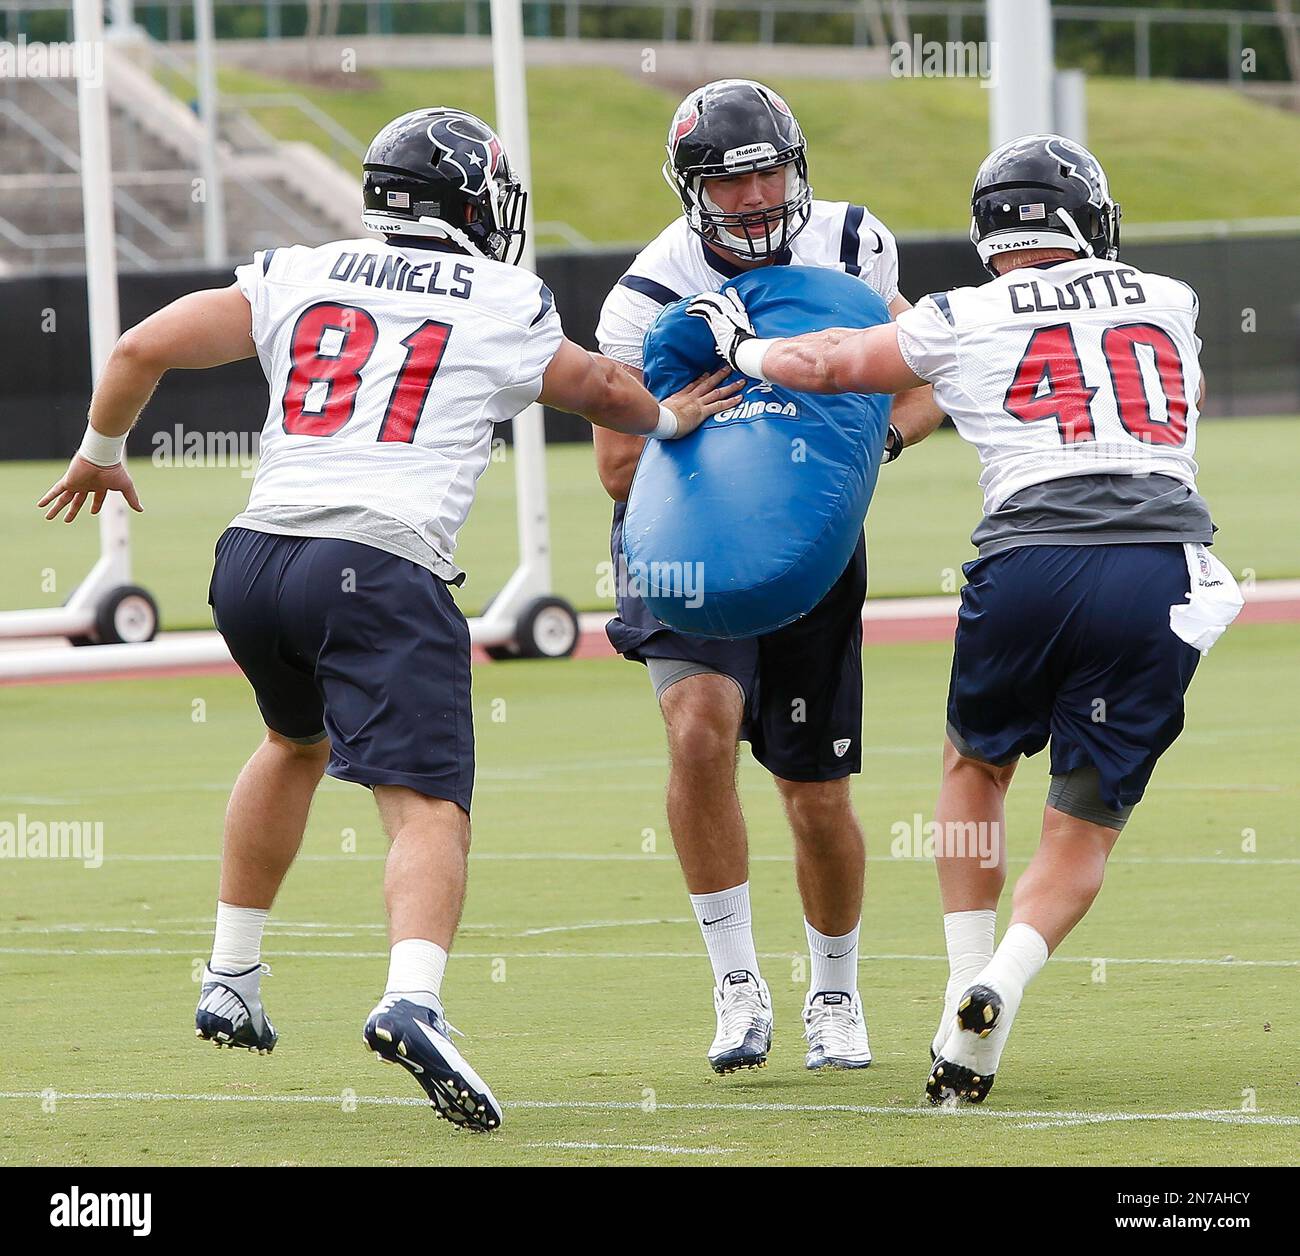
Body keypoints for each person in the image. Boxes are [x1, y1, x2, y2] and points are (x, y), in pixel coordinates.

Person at [38, 107, 740, 1133]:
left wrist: (103, 446)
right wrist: (675, 416)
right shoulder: (503, 294)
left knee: (290, 740)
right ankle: (412, 997)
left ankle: (232, 971)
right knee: (427, 806)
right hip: (375, 560)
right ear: (470, 203)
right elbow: (596, 389)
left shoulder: (300, 266)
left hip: (254, 557)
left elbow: (143, 343)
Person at [688, 133, 1242, 1103]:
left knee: (974, 766)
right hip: (1159, 566)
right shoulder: (1171, 297)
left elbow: (830, 365)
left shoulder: (962, 311)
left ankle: (961, 974)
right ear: (1090, 220)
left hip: (1025, 561)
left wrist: (737, 345)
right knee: (1081, 826)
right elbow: (1183, 395)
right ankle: (1002, 982)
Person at [594, 77, 945, 1075]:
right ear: (690, 192)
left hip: (809, 547)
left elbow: (927, 379)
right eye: (726, 182)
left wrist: (855, 453)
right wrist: (693, 417)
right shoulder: (645, 296)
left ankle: (833, 987)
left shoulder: (852, 245)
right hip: (688, 540)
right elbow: (616, 470)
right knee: (698, 730)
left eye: (767, 173)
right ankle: (735, 978)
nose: (751, 197)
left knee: (815, 788)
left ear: (797, 170)